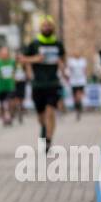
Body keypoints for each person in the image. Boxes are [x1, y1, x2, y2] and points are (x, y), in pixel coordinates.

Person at [23, 16, 66, 155]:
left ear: (53, 28)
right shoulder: (34, 44)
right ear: (41, 28)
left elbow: (63, 59)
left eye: (49, 25)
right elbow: (22, 59)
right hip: (38, 84)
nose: (47, 28)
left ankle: (48, 139)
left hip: (53, 83)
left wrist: (63, 67)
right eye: (44, 25)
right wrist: (35, 60)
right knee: (41, 115)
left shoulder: (58, 44)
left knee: (50, 111)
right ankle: (43, 128)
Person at [0, 44, 17, 126]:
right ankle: (3, 117)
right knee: (1, 103)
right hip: (1, 86)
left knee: (10, 102)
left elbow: (14, 72)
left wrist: (14, 80)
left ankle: (9, 116)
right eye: (3, 53)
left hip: (10, 85)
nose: (4, 54)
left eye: (6, 53)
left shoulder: (12, 62)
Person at [67, 50, 88, 120]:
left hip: (81, 81)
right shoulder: (71, 61)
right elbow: (69, 70)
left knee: (79, 95)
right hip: (74, 81)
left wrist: (85, 78)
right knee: (75, 97)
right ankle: (77, 108)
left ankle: (79, 107)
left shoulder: (83, 61)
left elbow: (85, 70)